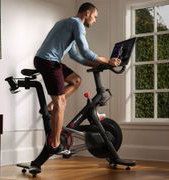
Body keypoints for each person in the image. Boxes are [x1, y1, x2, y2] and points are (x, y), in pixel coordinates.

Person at [34, 2, 121, 155]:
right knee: (61, 103)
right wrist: (107, 60)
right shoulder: (77, 24)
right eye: (94, 17)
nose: (94, 20)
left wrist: (95, 64)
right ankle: (54, 144)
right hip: (48, 61)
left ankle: (50, 107)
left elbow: (76, 56)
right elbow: (86, 51)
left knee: (76, 80)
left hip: (48, 60)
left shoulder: (66, 23)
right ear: (86, 13)